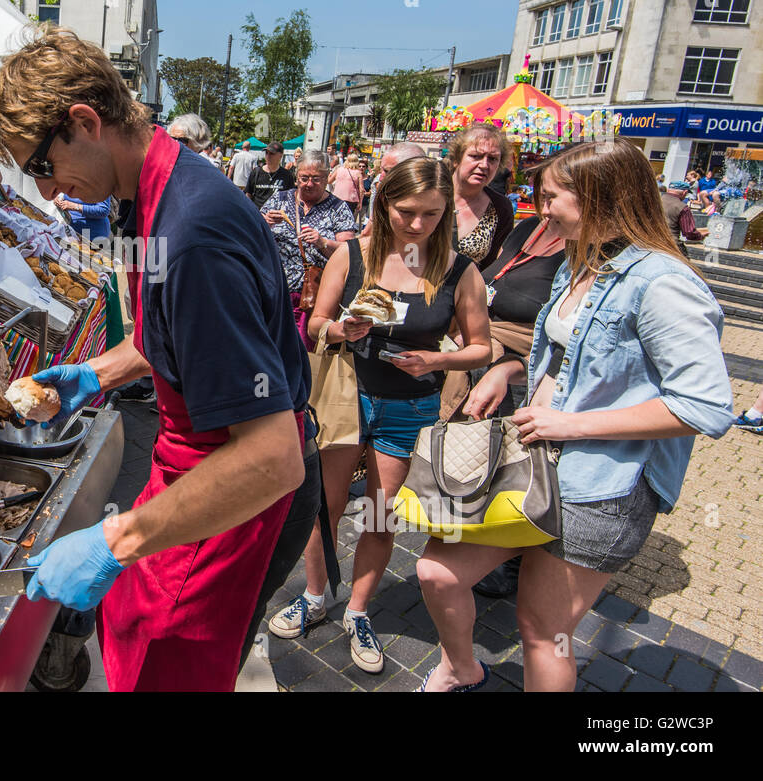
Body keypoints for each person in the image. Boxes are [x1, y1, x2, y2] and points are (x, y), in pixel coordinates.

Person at [0, 28, 310, 691]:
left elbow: (273, 457)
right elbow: (176, 337)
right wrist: (96, 374)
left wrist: (116, 540)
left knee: (165, 666)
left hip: (232, 484)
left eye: (42, 165)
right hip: (190, 463)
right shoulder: (147, 196)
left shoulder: (192, 232)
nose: (47, 193)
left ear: (84, 122)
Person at [416, 139, 733, 692]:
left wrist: (571, 424)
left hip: (602, 488)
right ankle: (461, 668)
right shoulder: (581, 263)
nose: (542, 209)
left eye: (553, 197)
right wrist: (510, 371)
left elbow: (705, 405)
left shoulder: (662, 283)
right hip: (539, 464)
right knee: (438, 572)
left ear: (599, 199)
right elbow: (571, 358)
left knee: (543, 632)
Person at [269, 159, 492, 674]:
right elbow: (315, 323)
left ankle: (358, 610)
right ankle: (316, 595)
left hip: (409, 406)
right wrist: (339, 331)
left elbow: (482, 348)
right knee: (323, 507)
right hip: (345, 397)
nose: (417, 225)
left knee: (380, 512)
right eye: (406, 212)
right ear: (382, 203)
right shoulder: (352, 255)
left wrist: (436, 359)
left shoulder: (459, 270)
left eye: (432, 215)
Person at [441, 211, 568, 599]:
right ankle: (477, 532)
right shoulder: (531, 228)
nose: (544, 206)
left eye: (554, 197)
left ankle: (512, 554)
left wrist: (507, 364)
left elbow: (563, 342)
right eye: (541, 194)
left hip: (521, 355)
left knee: (517, 460)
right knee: (482, 452)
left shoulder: (586, 250)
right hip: (485, 342)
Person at [261, 150, 359, 344]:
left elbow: (349, 252)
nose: (309, 184)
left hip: (314, 295)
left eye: (316, 178)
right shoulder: (280, 199)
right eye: (304, 178)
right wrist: (265, 222)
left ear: (327, 178)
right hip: (276, 290)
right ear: (296, 176)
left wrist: (322, 242)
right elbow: (253, 235)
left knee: (302, 350)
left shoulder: (338, 207)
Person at [447, 124, 514, 265]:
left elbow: (494, 264)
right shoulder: (430, 193)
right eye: (475, 156)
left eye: (493, 159)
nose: (484, 165)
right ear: (456, 159)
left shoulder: (500, 208)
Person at [360, 142, 424, 238]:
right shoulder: (385, 198)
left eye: (387, 171)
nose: (381, 178)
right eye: (382, 170)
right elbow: (367, 234)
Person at [661, 181, 708, 255]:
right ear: (685, 192)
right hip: (670, 244)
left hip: (649, 241)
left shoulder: (656, 201)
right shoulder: (682, 207)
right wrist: (700, 235)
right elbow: (689, 233)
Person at [244, 142, 296, 209]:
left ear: (280, 155)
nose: (268, 156)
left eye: (272, 153)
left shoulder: (287, 175)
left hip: (276, 216)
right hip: (257, 214)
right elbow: (248, 194)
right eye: (266, 153)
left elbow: (291, 197)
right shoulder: (256, 172)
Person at [329, 151, 366, 216]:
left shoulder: (339, 170)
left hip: (337, 199)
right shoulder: (358, 173)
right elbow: (361, 190)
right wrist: (360, 202)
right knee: (347, 220)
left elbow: (329, 181)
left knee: (335, 217)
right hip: (351, 201)